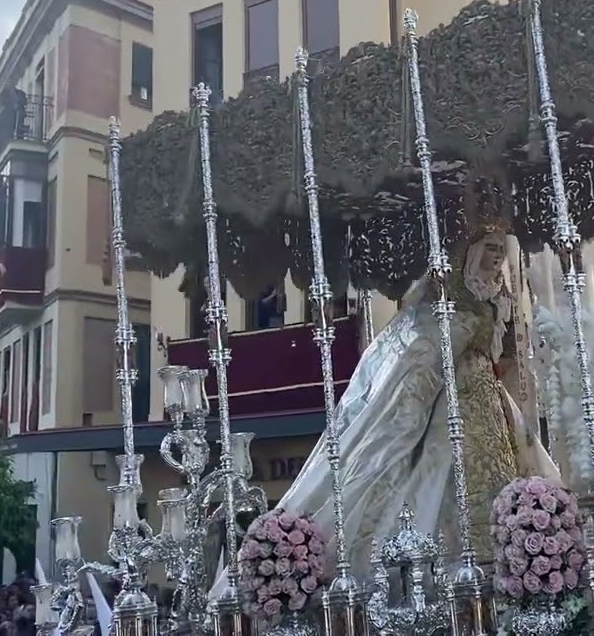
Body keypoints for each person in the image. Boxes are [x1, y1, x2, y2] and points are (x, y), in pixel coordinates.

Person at [216, 223, 558, 588]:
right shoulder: (442, 301)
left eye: (501, 248)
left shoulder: (491, 296)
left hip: (486, 400)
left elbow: (495, 353)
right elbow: (420, 351)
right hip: (446, 406)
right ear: (469, 252)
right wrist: (458, 332)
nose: (498, 256)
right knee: (429, 475)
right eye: (490, 247)